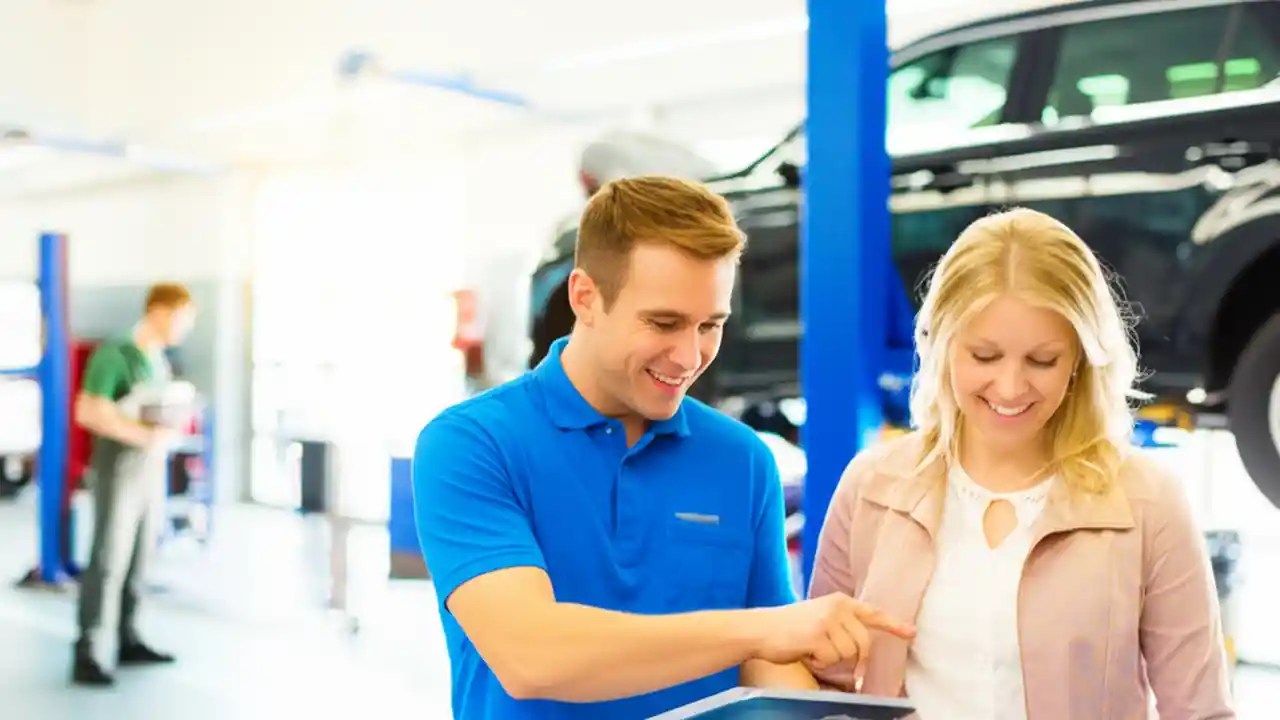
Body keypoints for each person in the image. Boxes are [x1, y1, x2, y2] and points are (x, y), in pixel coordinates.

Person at [413, 176, 915, 719]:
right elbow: (532, 656)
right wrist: (763, 629)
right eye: (664, 323)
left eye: (710, 325)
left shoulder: (741, 460)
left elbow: (768, 659)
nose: (689, 355)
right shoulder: (472, 444)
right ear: (585, 297)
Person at [808, 208, 1236, 719]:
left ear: (1081, 357)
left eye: (1042, 361)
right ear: (941, 346)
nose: (1010, 388)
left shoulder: (1148, 500)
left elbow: (1201, 710)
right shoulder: (871, 486)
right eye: (985, 357)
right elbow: (820, 692)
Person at [71, 283, 197, 686]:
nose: (184, 330)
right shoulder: (116, 354)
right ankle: (89, 648)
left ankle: (128, 636)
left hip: (150, 468)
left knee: (140, 555)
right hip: (118, 467)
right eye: (182, 320)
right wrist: (144, 436)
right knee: (108, 557)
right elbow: (89, 411)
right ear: (160, 311)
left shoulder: (156, 359)